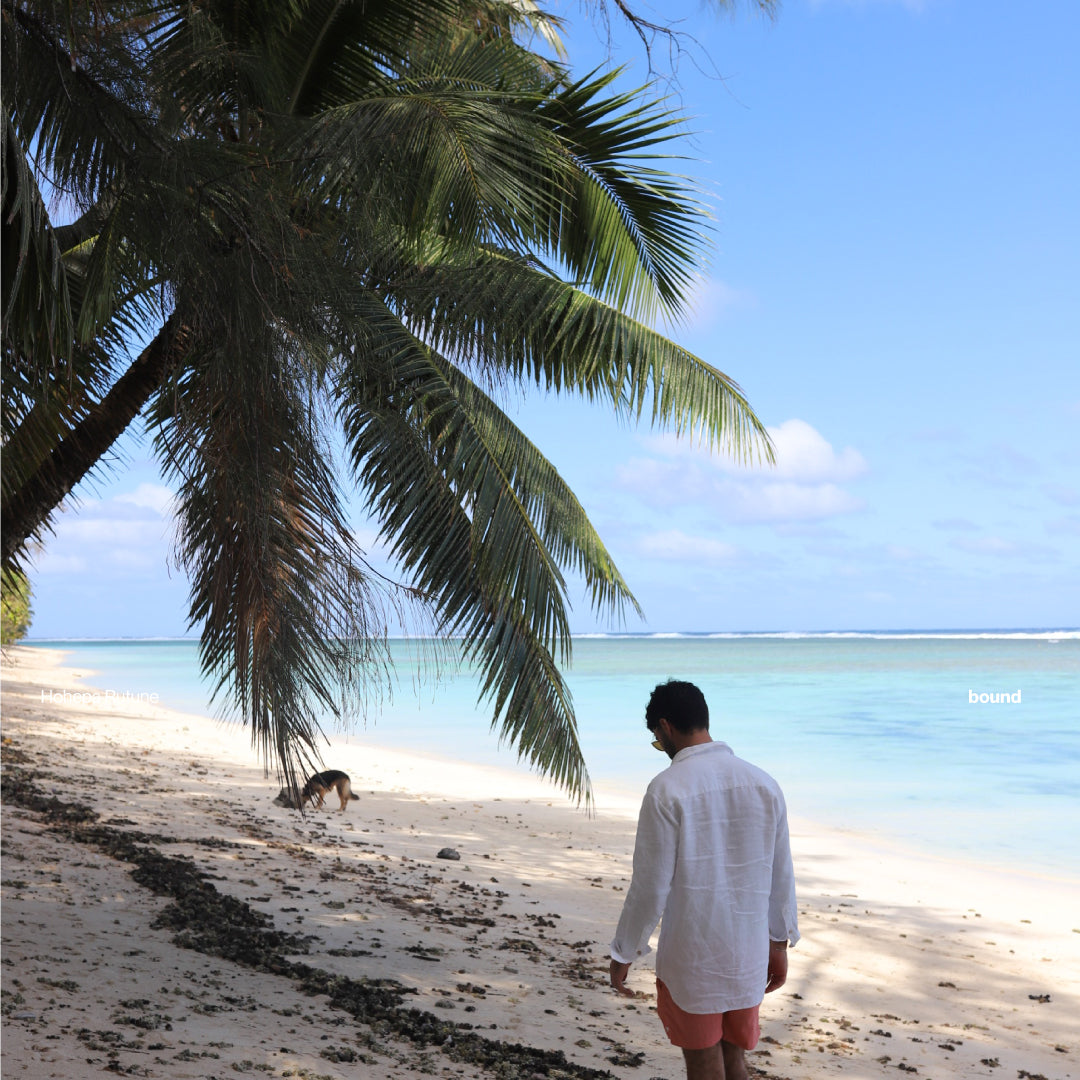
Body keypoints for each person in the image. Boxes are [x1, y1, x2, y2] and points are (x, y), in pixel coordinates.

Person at [609, 680, 799, 1080]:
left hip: (694, 960)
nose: (661, 751)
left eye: (658, 742)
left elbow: (650, 886)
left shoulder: (667, 790)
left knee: (703, 1065)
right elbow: (780, 876)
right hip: (747, 955)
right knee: (734, 1061)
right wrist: (778, 943)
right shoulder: (763, 783)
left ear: (665, 727)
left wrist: (625, 950)